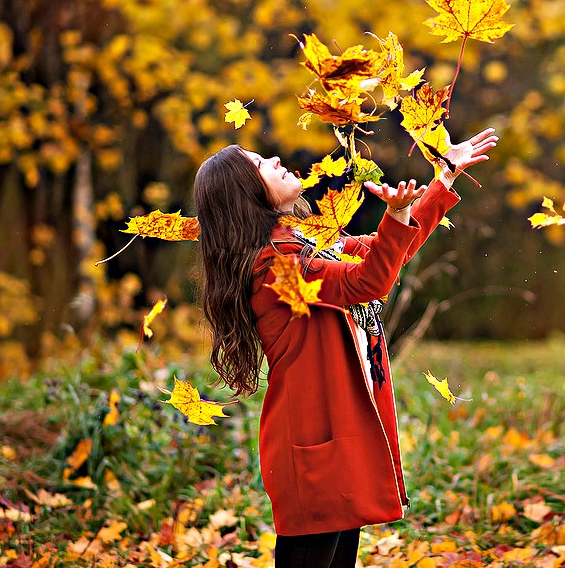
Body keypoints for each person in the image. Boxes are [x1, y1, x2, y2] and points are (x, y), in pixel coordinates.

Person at [193, 127, 498, 568]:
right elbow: (366, 282)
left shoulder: (304, 243)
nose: (275, 161)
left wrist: (443, 178)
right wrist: (396, 214)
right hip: (312, 446)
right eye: (260, 165)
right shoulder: (274, 269)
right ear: (246, 195)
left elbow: (388, 251)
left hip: (338, 440)